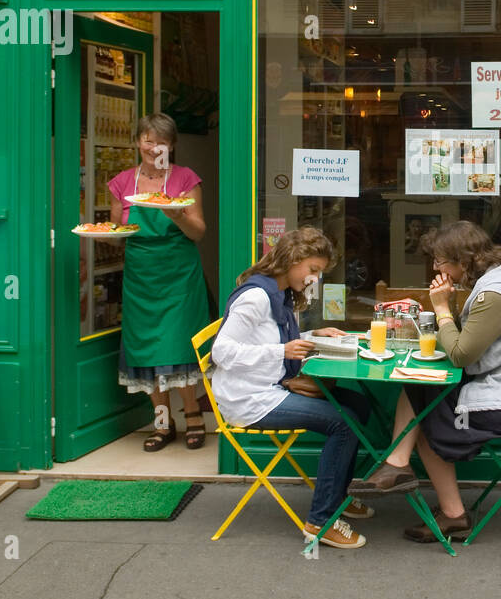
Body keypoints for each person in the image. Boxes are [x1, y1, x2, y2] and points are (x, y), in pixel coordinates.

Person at [348, 220, 501, 542]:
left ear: (463, 261)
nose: (435, 267)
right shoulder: (496, 286)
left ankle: (447, 509)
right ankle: (399, 464)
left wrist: (440, 309)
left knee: (426, 415)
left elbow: (462, 355)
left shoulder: (494, 295)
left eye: (439, 260)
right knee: (420, 390)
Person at [210, 227, 373, 549]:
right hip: (249, 399)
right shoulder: (256, 297)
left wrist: (314, 336)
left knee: (359, 405)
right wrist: (281, 352)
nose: (314, 278)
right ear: (292, 259)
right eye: (312, 270)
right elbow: (221, 352)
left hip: (271, 387)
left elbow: (276, 340)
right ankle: (321, 522)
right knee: (343, 423)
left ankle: (336, 497)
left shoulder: (280, 293)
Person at [108, 113, 211, 451]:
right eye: (148, 140)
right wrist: (103, 236)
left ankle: (193, 412)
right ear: (137, 141)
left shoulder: (184, 179)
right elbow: (116, 235)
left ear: (173, 145)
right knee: (146, 346)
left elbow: (198, 232)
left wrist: (177, 214)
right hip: (140, 275)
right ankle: (162, 422)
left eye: (162, 141)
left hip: (179, 272)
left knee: (179, 341)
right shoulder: (122, 183)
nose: (154, 148)